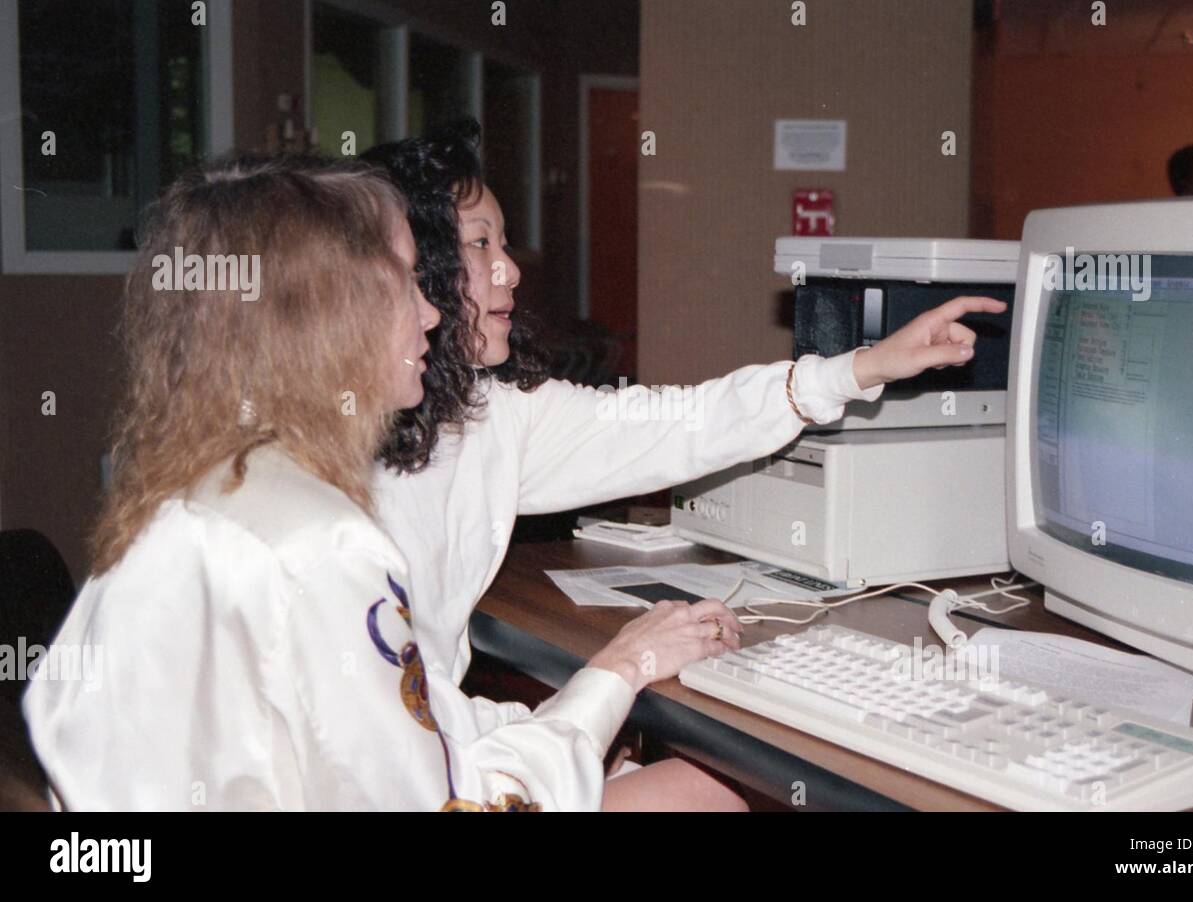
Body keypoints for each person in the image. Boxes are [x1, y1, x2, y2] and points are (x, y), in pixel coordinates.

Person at [22, 154, 742, 811]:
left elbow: (387, 725)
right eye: (405, 283)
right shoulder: (323, 544)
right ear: (327, 320)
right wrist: (618, 669)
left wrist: (569, 718)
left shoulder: (182, 499)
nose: (431, 313)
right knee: (705, 792)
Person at [363, 122, 1007, 809]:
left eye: (504, 241)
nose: (511, 269)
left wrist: (862, 367)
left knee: (700, 781)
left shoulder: (485, 414)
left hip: (442, 760)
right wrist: (621, 667)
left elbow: (679, 422)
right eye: (480, 243)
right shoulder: (352, 499)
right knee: (719, 787)